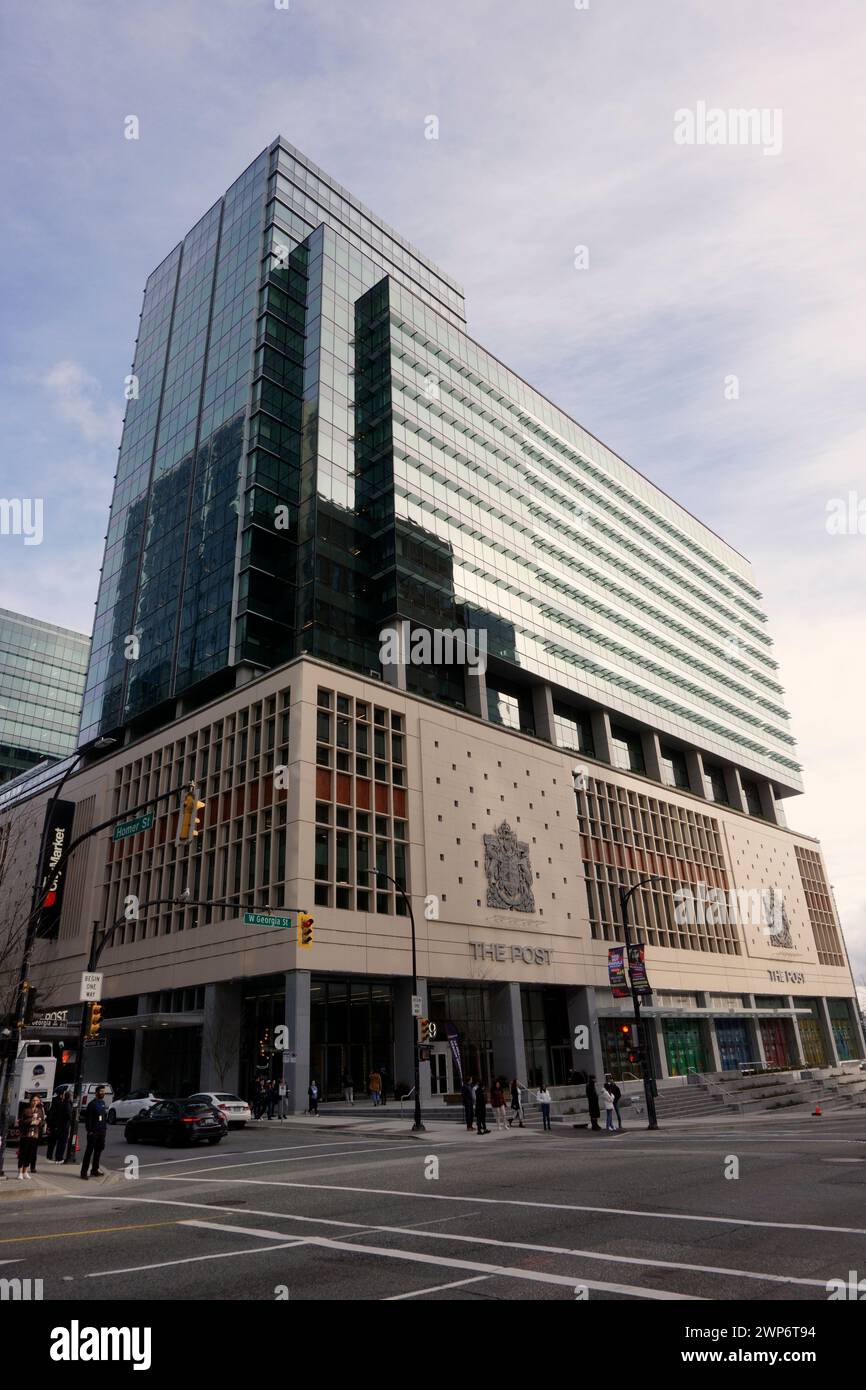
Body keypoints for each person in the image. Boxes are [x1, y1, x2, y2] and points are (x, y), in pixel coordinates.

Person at [80, 1085, 108, 1180]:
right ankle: (83, 1172)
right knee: (89, 1152)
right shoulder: (92, 1104)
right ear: (96, 1092)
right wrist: (90, 1131)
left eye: (104, 1091)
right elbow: (89, 1119)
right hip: (93, 1132)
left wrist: (104, 1130)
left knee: (98, 1152)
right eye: (101, 1091)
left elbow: (103, 1117)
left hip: (102, 1132)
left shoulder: (103, 1103)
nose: (103, 1093)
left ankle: (94, 1170)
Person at [17, 1095, 45, 1179]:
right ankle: (20, 1172)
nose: (35, 1102)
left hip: (35, 1134)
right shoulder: (26, 1110)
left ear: (39, 1102)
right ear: (30, 1101)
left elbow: (43, 1122)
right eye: (33, 1100)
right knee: (23, 1153)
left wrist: (39, 1122)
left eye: (37, 1100)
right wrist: (31, 1121)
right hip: (26, 1134)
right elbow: (21, 1122)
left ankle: (25, 1171)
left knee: (30, 1154)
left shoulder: (39, 1111)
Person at [46, 1090, 73, 1163]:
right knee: (56, 1142)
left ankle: (51, 1156)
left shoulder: (61, 1102)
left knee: (54, 1142)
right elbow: (53, 1114)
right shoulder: (59, 1103)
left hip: (57, 1125)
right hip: (57, 1125)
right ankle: (55, 1157)